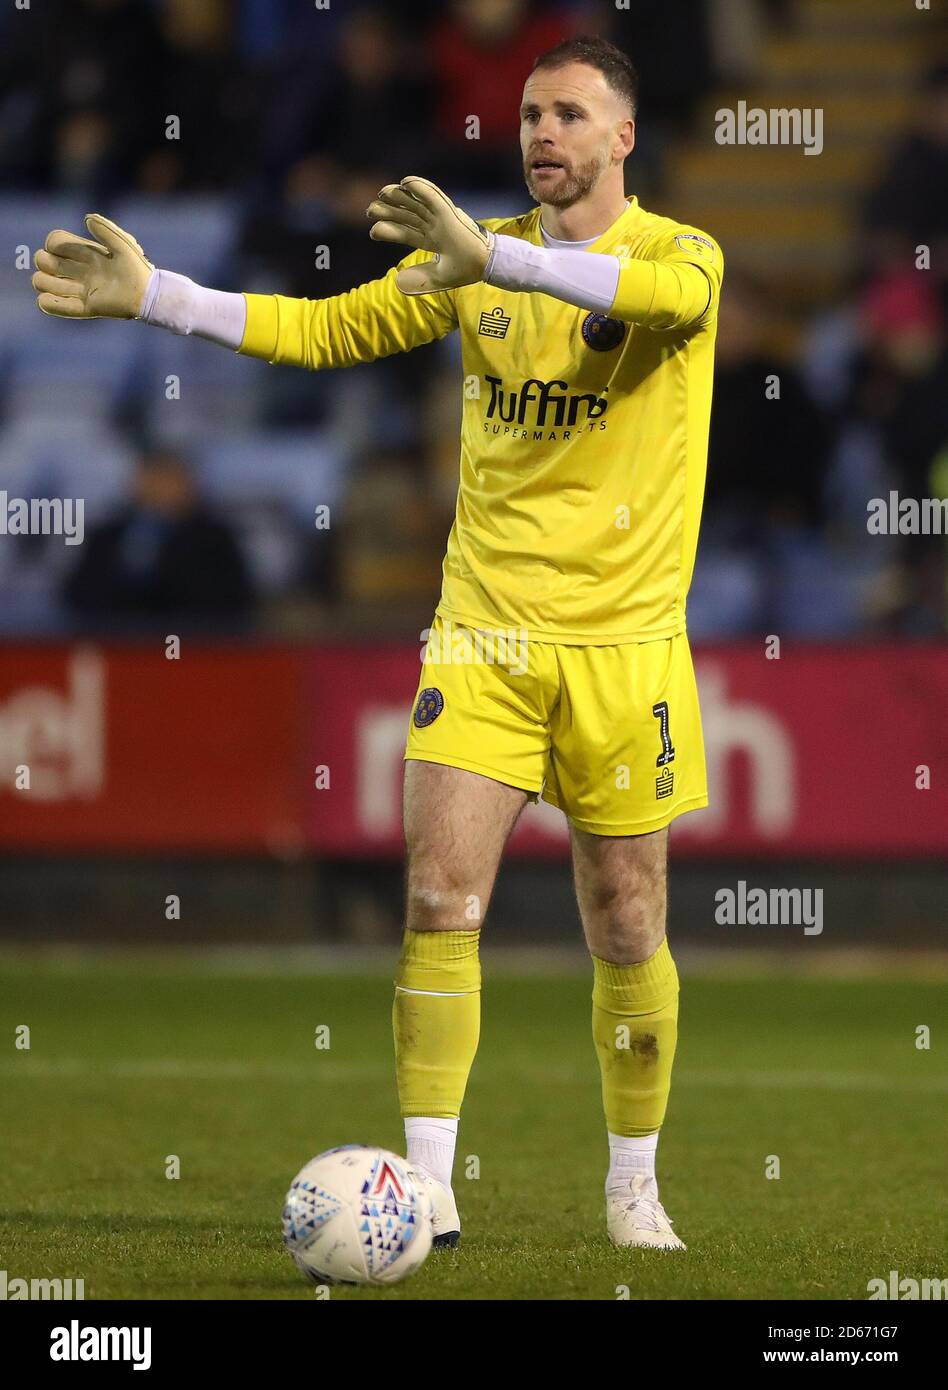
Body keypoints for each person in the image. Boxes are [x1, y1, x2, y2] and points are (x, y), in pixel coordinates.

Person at [33, 34, 723, 1253]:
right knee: (437, 896)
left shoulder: (679, 256)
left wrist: (495, 256)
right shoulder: (473, 261)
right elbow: (325, 332)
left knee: (626, 915)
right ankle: (429, 1188)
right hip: (485, 635)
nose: (542, 134)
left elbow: (660, 306)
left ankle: (632, 1190)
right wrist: (158, 296)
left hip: (627, 648)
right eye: (528, 115)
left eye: (569, 114)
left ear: (624, 135)